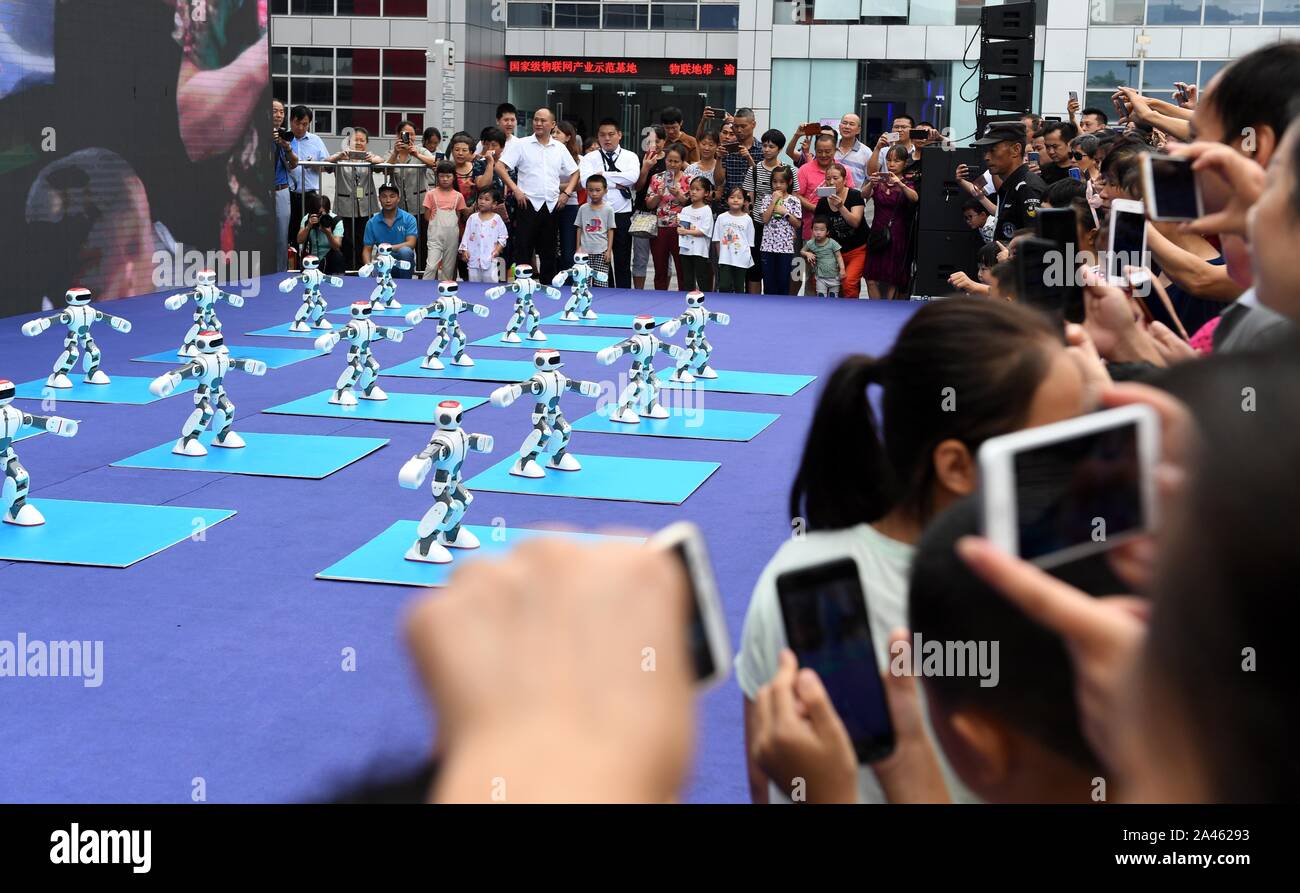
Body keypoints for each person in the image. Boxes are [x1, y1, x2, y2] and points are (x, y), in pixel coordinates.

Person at [737, 298, 1088, 804]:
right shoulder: (1059, 587)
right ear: (957, 468)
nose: (1091, 466)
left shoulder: (798, 573)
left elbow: (765, 781)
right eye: (1059, 449)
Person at [496, 107, 579, 284]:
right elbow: (500, 166)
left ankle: (548, 287)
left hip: (551, 205)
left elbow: (575, 172)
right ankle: (522, 286)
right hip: (527, 203)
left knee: (549, 251)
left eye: (543, 120)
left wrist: (566, 193)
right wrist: (515, 189)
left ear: (553, 124)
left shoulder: (559, 148)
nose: (538, 123)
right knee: (523, 249)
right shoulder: (522, 144)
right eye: (536, 119)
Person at [579, 118, 639, 288]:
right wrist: (617, 181)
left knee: (622, 258)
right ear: (598, 137)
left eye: (611, 134)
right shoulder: (590, 158)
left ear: (619, 135)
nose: (607, 138)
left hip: (621, 213)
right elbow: (586, 182)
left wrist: (602, 175)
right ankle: (605, 293)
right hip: (596, 214)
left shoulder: (630, 156)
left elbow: (632, 178)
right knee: (600, 259)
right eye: (603, 135)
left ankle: (623, 294)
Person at [965, 121, 1046, 245]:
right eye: (985, 151)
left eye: (993, 150)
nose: (986, 157)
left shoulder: (1027, 188)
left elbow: (1037, 240)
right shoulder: (1009, 186)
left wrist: (1009, 256)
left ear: (1016, 149)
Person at [743, 129, 800, 294]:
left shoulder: (789, 171)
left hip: (782, 227)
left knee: (781, 269)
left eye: (771, 146)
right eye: (764, 146)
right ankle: (754, 303)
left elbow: (794, 198)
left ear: (779, 149)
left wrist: (792, 227)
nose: (767, 149)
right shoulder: (754, 170)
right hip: (758, 224)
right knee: (755, 269)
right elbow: (750, 199)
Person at [863, 145, 918, 300]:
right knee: (871, 276)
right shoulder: (880, 180)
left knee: (892, 277)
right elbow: (863, 195)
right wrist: (870, 183)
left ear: (905, 163)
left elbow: (914, 198)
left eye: (897, 160)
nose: (892, 164)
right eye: (889, 160)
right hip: (877, 230)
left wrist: (900, 184)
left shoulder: (908, 181)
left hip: (897, 233)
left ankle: (888, 309)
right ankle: (875, 309)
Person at [328, 127, 386, 271]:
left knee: (364, 239)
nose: (359, 142)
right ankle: (347, 269)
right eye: (355, 140)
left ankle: (362, 268)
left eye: (362, 140)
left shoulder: (369, 156)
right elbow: (326, 163)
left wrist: (373, 159)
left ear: (366, 142)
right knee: (346, 239)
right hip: (345, 206)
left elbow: (382, 162)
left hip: (365, 206)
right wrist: (339, 157)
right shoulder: (341, 156)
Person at [388, 119, 437, 272]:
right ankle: (403, 273)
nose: (409, 137)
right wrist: (396, 153)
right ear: (398, 135)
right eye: (406, 134)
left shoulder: (420, 150)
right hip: (400, 209)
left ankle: (423, 274)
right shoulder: (392, 152)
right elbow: (383, 169)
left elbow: (434, 162)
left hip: (420, 205)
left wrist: (415, 154)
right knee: (402, 245)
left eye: (413, 134)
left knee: (422, 243)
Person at [812, 163, 867, 299]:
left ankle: (851, 314)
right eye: (828, 178)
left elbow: (855, 222)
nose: (831, 182)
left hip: (857, 248)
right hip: (834, 251)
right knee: (831, 285)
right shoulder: (823, 202)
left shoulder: (855, 195)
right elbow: (818, 227)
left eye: (835, 178)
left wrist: (841, 206)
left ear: (845, 179)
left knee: (849, 282)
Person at [645, 142, 692, 291]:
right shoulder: (656, 178)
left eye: (676, 161)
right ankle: (660, 295)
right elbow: (649, 205)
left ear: (682, 162)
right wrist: (658, 195)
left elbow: (691, 204)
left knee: (683, 268)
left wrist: (678, 194)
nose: (672, 164)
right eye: (669, 160)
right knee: (660, 267)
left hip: (681, 228)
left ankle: (684, 296)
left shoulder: (689, 179)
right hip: (660, 227)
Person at [286, 105, 329, 260]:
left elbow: (327, 167)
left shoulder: (315, 140)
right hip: (289, 193)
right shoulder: (285, 139)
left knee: (311, 229)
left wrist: (314, 164)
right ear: (291, 121)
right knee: (291, 231)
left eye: (305, 124)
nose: (300, 127)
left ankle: (310, 262)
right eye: (297, 123)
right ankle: (291, 263)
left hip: (310, 194)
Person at [796, 131, 854, 246]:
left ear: (835, 150)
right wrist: (816, 208)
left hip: (841, 230)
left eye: (827, 152)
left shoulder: (845, 170)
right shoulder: (804, 169)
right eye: (819, 151)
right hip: (812, 230)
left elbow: (851, 194)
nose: (823, 155)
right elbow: (797, 195)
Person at [632, 125, 668, 290]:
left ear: (664, 141)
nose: (654, 144)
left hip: (664, 216)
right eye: (650, 140)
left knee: (663, 260)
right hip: (642, 214)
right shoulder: (639, 159)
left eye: (658, 141)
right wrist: (645, 168)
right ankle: (638, 292)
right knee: (640, 258)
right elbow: (637, 188)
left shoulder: (671, 160)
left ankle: (662, 293)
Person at [757, 165, 801, 296]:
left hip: (785, 248)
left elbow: (797, 224)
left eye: (782, 182)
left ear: (789, 182)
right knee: (769, 282)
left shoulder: (794, 201)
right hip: (767, 247)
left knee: (783, 281)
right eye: (775, 182)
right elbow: (765, 219)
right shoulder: (766, 199)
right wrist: (773, 201)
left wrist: (785, 213)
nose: (777, 185)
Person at [422, 160, 468, 281]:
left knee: (448, 268)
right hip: (435, 235)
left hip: (452, 235)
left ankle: (446, 292)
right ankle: (423, 289)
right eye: (442, 176)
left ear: (453, 177)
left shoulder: (458, 196)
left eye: (448, 176)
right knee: (431, 266)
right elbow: (427, 216)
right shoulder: (431, 194)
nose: (445, 179)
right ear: (437, 177)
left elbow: (458, 217)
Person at [362, 183, 418, 276]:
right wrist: (368, 266)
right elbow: (367, 250)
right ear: (379, 198)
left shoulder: (409, 218)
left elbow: (411, 243)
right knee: (374, 268)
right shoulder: (372, 222)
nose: (388, 200)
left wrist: (387, 249)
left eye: (392, 196)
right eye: (384, 196)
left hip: (403, 263)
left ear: (398, 198)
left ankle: (406, 287)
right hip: (382, 261)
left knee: (405, 251)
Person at [459, 187, 508, 283]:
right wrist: (464, 250)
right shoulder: (472, 218)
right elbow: (466, 235)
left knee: (490, 283)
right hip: (473, 258)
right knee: (474, 284)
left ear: (494, 204)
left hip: (490, 259)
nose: (482, 201)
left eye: (487, 199)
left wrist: (497, 250)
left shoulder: (497, 219)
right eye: (480, 198)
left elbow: (503, 236)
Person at [271, 99, 298, 272]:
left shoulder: (287, 136)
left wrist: (286, 147)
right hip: (258, 192)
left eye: (282, 111)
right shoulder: (257, 133)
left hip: (281, 189)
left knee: (281, 237)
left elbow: (294, 163)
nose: (279, 115)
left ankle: (279, 272)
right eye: (275, 111)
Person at [575, 174, 616, 285]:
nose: (594, 193)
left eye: (598, 190)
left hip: (601, 251)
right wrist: (578, 248)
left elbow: (610, 230)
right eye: (591, 190)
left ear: (605, 191)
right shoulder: (583, 208)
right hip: (584, 252)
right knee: (584, 282)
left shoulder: (609, 209)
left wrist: (608, 251)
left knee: (601, 282)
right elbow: (579, 228)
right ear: (586, 190)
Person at [713, 186, 756, 294]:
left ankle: (739, 308)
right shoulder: (721, 217)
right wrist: (720, 256)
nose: (735, 200)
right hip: (725, 258)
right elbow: (717, 239)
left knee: (739, 286)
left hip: (741, 258)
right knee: (724, 285)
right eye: (732, 197)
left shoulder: (748, 219)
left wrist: (747, 258)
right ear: (727, 200)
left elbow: (750, 242)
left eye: (739, 198)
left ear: (745, 201)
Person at [554, 121, 584, 273]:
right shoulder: (548, 155)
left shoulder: (579, 159)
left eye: (558, 133)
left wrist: (556, 187)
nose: (554, 135)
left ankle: (569, 280)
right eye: (553, 132)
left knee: (568, 247)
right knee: (550, 247)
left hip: (571, 205)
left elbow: (580, 184)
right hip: (549, 204)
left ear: (568, 137)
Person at [676, 176, 715, 292]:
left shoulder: (706, 210)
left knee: (702, 277)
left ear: (706, 193)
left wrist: (686, 231)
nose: (693, 192)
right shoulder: (685, 210)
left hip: (700, 250)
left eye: (698, 189)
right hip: (685, 248)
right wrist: (680, 229)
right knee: (687, 278)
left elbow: (704, 231)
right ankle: (689, 300)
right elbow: (682, 228)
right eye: (692, 189)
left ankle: (705, 300)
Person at [296, 193, 345, 276]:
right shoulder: (307, 219)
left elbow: (337, 246)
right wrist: (308, 227)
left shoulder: (335, 220)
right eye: (317, 214)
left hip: (329, 259)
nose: (319, 217)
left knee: (337, 255)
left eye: (322, 214)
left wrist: (328, 233)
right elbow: (299, 240)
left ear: (328, 211)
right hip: (312, 260)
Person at [801, 217, 844, 298]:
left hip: (834, 276)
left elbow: (839, 256)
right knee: (820, 296)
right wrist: (807, 254)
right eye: (815, 229)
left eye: (822, 230)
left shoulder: (832, 243)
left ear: (827, 232)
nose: (818, 232)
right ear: (812, 230)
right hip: (820, 277)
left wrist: (842, 269)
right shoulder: (811, 243)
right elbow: (802, 251)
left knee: (833, 296)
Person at [866, 114, 919, 178]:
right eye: (896, 127)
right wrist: (877, 148)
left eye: (904, 127)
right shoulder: (884, 151)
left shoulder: (917, 151)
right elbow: (871, 173)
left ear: (912, 130)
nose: (899, 130)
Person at [1038, 121, 1079, 185]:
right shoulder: (1043, 171)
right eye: (1047, 147)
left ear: (1070, 144)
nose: (1051, 152)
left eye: (1055, 147)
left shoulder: (1080, 171)